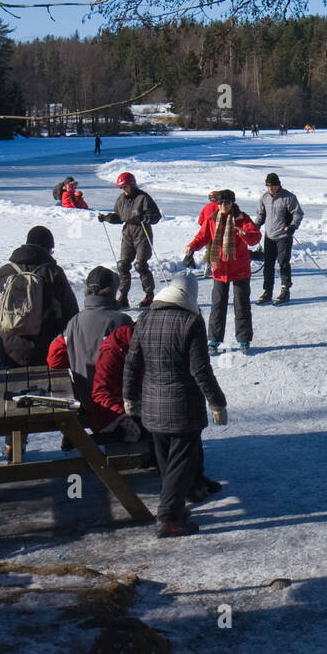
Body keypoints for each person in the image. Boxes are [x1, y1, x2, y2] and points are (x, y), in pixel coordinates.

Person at [122, 271, 228, 537]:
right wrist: (217, 403)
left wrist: (129, 397)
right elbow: (200, 370)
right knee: (180, 464)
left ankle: (175, 508)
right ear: (191, 294)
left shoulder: (145, 319)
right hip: (183, 409)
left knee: (167, 463)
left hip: (152, 407)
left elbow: (132, 363)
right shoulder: (191, 321)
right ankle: (168, 518)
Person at [0, 225, 79, 367]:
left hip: (7, 349)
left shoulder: (3, 273)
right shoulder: (53, 273)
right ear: (47, 248)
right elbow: (71, 314)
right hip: (45, 349)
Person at [184, 189, 261, 351]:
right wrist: (192, 246)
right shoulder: (212, 219)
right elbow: (202, 236)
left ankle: (243, 339)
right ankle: (214, 339)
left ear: (232, 203)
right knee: (217, 305)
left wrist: (244, 233)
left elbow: (255, 238)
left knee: (241, 305)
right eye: (220, 203)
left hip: (239, 268)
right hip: (220, 268)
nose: (223, 206)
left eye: (226, 203)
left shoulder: (242, 218)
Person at [47, 267, 132, 412]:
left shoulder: (74, 321)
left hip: (84, 399)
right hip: (116, 404)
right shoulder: (122, 321)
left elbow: (54, 359)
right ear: (112, 291)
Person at [98, 172, 162, 309]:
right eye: (121, 187)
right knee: (123, 264)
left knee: (141, 265)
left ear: (132, 184)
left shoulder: (143, 197)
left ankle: (149, 294)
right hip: (127, 232)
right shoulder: (121, 199)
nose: (123, 190)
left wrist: (146, 218)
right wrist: (107, 218)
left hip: (142, 232)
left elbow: (156, 216)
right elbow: (119, 217)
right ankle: (123, 295)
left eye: (125, 186)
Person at [254, 172, 304, 305]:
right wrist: (255, 226)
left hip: (283, 235)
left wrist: (293, 225)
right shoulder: (264, 198)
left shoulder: (288, 197)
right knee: (268, 264)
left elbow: (297, 213)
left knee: (283, 263)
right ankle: (267, 291)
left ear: (278, 185)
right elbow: (261, 215)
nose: (270, 189)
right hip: (269, 236)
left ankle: (285, 290)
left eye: (273, 186)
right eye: (268, 186)